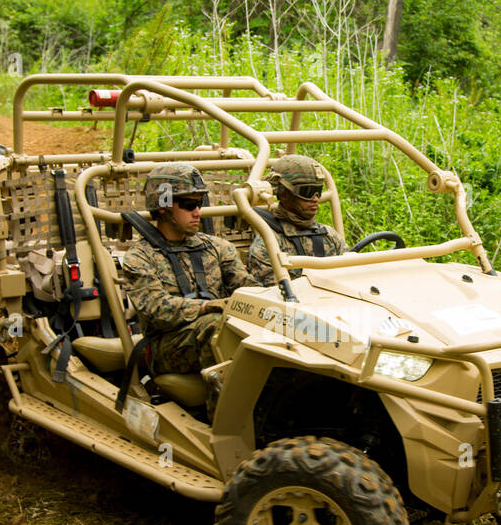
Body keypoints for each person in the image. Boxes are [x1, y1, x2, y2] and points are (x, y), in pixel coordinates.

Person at [122, 163, 251, 381]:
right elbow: (155, 309)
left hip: (217, 328)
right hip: (167, 345)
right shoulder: (139, 257)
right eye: (189, 204)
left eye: (199, 203)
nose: (197, 212)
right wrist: (205, 306)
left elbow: (246, 285)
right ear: (163, 204)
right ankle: (224, 414)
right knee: (216, 327)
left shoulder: (218, 247)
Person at [247, 153, 348, 284]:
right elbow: (275, 297)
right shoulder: (268, 245)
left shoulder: (330, 236)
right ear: (284, 195)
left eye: (318, 190)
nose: (316, 198)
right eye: (307, 192)